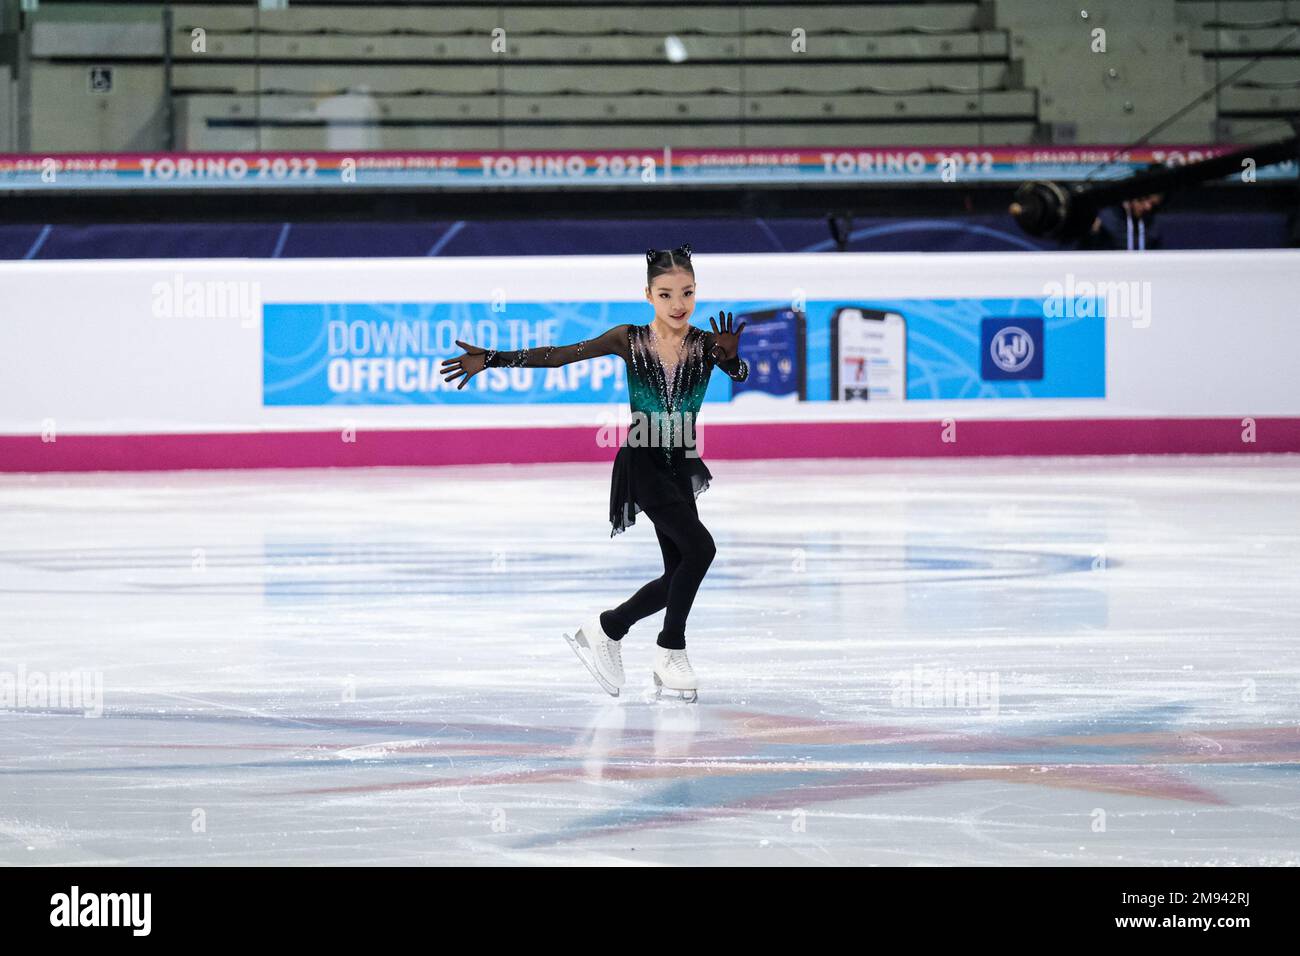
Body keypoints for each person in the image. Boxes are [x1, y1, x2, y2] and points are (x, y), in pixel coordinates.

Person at [440, 244, 748, 702]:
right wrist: (494, 359)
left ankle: (607, 629)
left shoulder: (706, 344)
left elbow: (739, 373)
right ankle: (670, 647)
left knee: (678, 571)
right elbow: (561, 354)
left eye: (686, 293)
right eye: (665, 295)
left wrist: (729, 361)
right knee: (701, 549)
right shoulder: (628, 338)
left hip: (681, 462)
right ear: (648, 295)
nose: (677, 304)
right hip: (643, 459)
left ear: (696, 292)